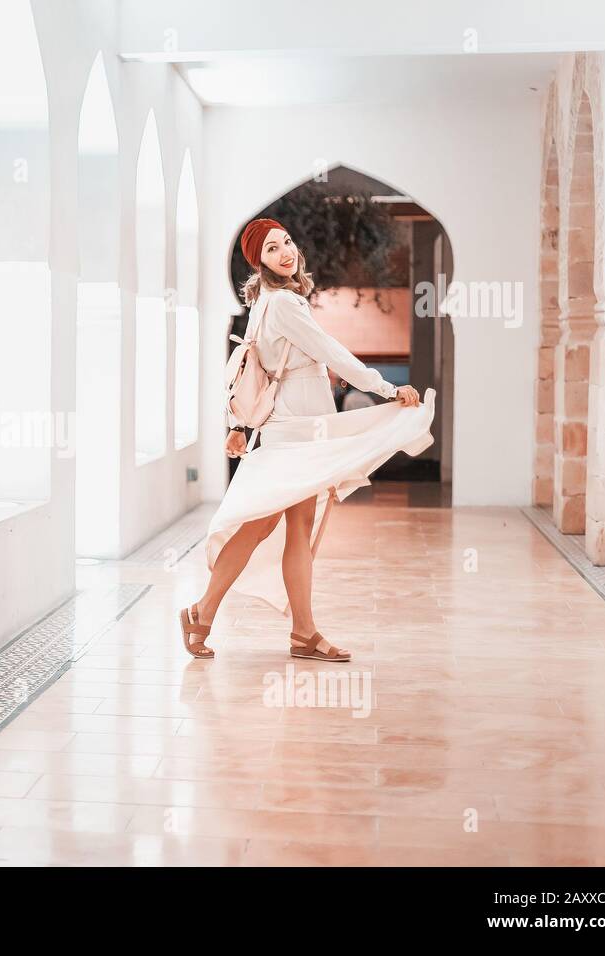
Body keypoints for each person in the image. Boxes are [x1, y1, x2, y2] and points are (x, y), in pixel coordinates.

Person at [179, 217, 435, 661]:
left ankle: (301, 632)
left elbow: (263, 369)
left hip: (299, 431)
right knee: (260, 525)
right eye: (272, 248)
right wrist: (388, 388)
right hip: (296, 435)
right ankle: (203, 612)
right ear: (259, 263)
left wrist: (242, 428)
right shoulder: (283, 304)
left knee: (297, 528)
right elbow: (331, 351)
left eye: (287, 242)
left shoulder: (268, 303)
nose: (285, 251)